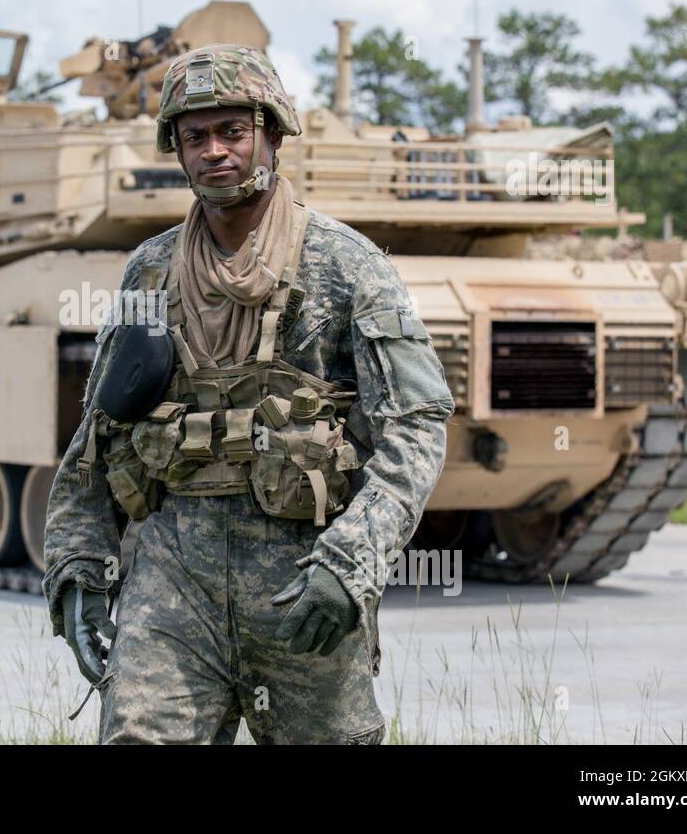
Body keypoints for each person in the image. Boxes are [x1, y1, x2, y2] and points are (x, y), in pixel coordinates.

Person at [43, 43, 455, 744]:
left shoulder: (349, 268)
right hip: (172, 589)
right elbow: (100, 439)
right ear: (176, 149)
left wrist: (351, 563)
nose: (215, 152)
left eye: (233, 131)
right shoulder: (149, 273)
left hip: (303, 588)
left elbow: (416, 427)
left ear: (271, 134)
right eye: (195, 136)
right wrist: (78, 570)